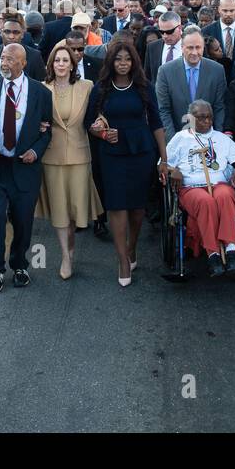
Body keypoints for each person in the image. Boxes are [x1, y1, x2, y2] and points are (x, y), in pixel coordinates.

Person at [0, 43, 53, 293]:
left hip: (25, 168)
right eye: (3, 58)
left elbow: (49, 131)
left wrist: (35, 151)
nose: (5, 63)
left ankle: (20, 264)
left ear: (23, 64)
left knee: (23, 220)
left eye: (11, 60)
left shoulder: (40, 93)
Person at [85, 40, 169, 287]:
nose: (123, 64)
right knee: (117, 205)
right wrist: (100, 133)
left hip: (141, 152)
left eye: (127, 59)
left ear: (134, 62)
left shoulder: (144, 86)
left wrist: (164, 158)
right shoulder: (101, 88)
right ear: (110, 61)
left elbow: (156, 122)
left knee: (137, 208)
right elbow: (88, 122)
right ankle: (122, 259)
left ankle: (132, 247)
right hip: (111, 153)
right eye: (118, 59)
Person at [37, 43, 102, 280]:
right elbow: (33, 118)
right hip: (51, 156)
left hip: (79, 154)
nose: (61, 64)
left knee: (75, 210)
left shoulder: (87, 86)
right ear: (51, 64)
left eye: (66, 60)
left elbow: (97, 115)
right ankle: (65, 255)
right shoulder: (42, 88)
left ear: (73, 64)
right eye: (57, 60)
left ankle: (71, 246)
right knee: (59, 209)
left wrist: (100, 125)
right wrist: (38, 125)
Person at [166, 99, 235, 276]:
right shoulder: (180, 138)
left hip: (218, 183)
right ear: (190, 118)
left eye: (209, 117)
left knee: (225, 195)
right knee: (206, 201)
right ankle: (212, 254)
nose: (206, 121)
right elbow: (163, 163)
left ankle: (231, 249)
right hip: (191, 188)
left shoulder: (221, 138)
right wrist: (174, 170)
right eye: (200, 117)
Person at [155, 29, 227, 138]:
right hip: (177, 138)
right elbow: (163, 110)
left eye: (198, 47)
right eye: (190, 48)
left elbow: (219, 107)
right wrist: (173, 141)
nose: (194, 52)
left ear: (203, 48)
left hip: (209, 139)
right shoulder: (165, 71)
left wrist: (216, 138)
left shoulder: (217, 70)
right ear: (182, 48)